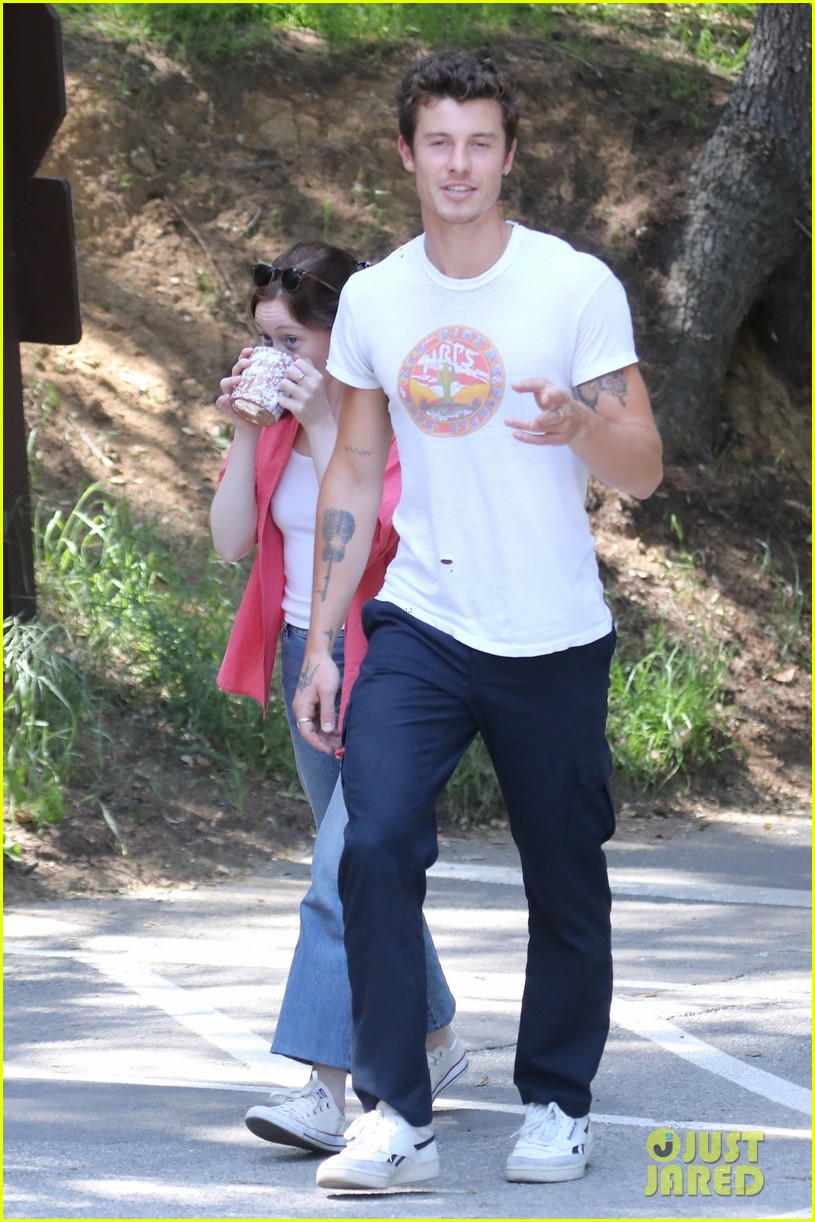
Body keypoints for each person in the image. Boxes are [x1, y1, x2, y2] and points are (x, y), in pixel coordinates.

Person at [292, 51, 663, 1191]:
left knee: (563, 873)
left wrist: (578, 431)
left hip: (549, 630)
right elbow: (355, 465)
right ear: (408, 154)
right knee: (374, 838)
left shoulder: (571, 286)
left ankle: (554, 1100)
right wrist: (321, 636)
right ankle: (394, 1112)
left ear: (508, 155)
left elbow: (641, 467)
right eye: (437, 142)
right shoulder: (376, 298)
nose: (458, 164)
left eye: (479, 143)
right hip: (422, 619)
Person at [210, 240, 467, 1157]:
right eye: (260, 340)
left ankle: (320, 1087)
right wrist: (246, 432)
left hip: (393, 664)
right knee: (361, 866)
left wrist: (325, 426)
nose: (273, 357)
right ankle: (432, 1038)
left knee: (335, 876)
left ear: (340, 334)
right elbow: (232, 541)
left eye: (290, 339)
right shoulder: (279, 418)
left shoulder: (398, 419)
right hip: (299, 659)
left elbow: (389, 541)